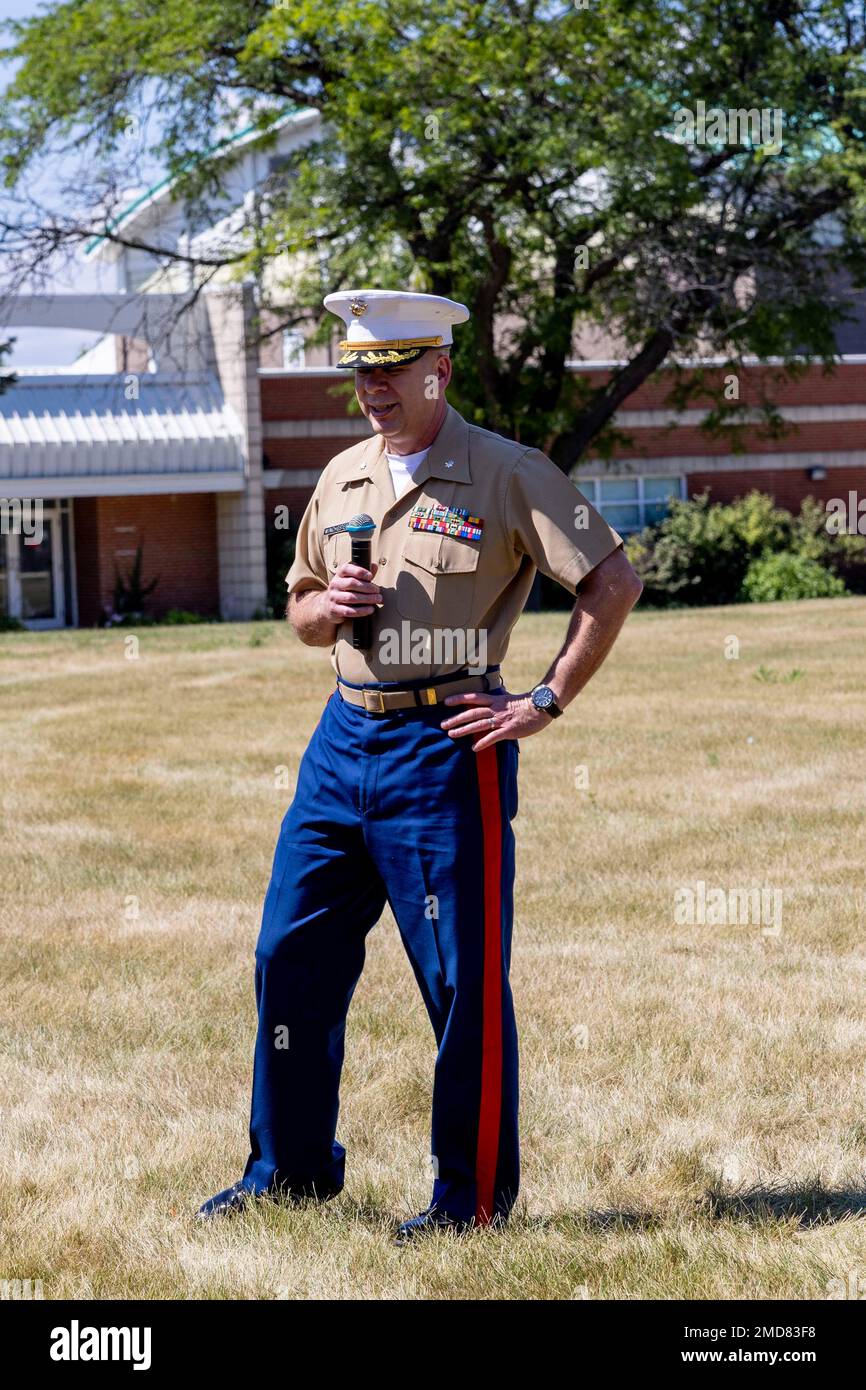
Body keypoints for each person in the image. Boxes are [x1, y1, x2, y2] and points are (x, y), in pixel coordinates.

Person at [197, 289, 643, 1242]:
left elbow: (613, 578)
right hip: (342, 739)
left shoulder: (507, 472)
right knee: (290, 955)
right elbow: (302, 610)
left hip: (447, 749)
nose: (371, 389)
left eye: (389, 370)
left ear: (437, 369)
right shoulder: (344, 474)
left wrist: (543, 701)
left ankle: (469, 1201)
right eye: (360, 371)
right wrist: (331, 606)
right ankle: (290, 1171)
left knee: (459, 981)